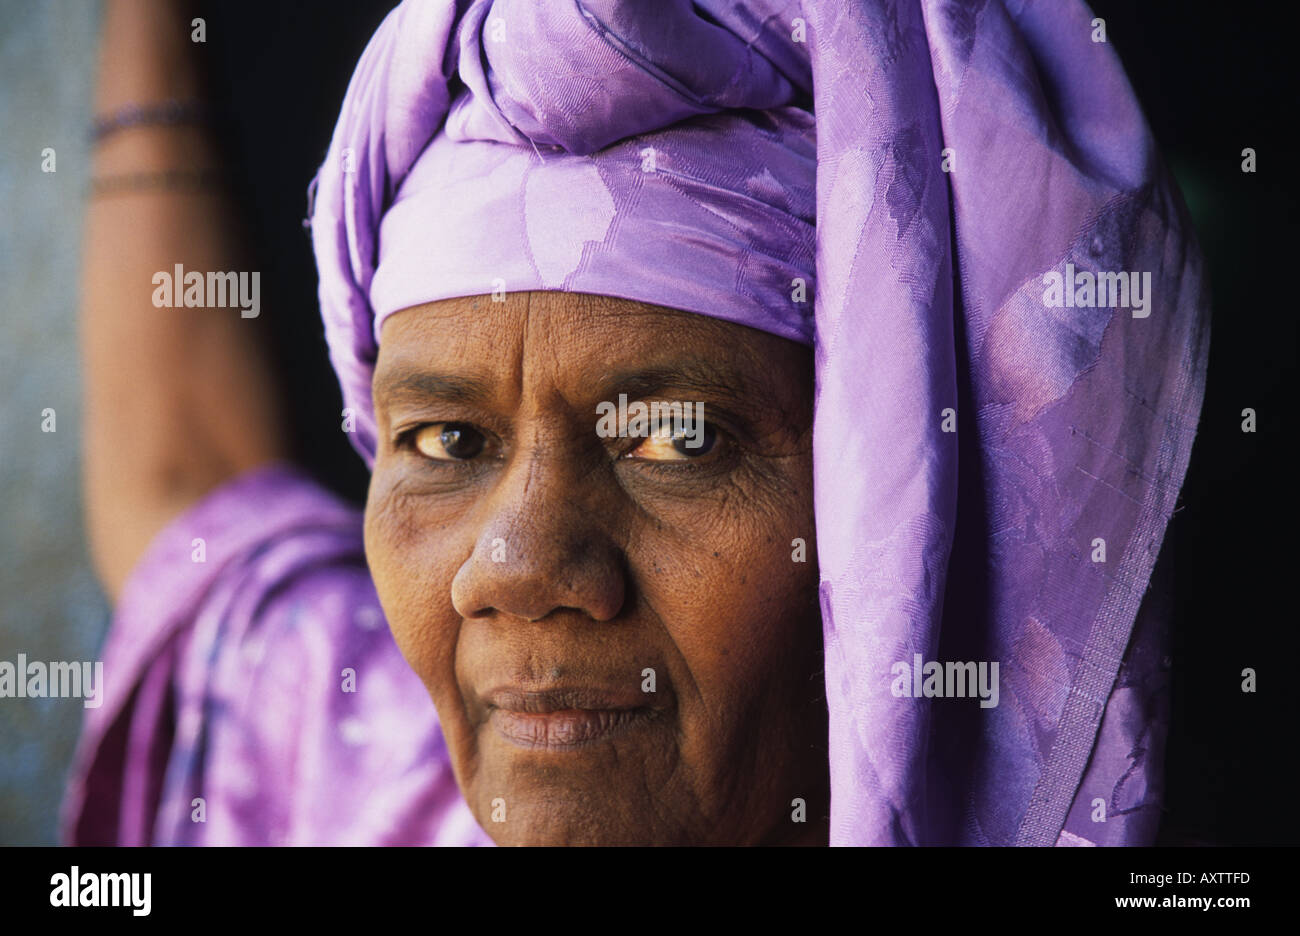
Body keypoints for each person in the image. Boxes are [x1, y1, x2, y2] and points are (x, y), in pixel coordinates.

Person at [65, 0, 1209, 846]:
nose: (515, 568)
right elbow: (188, 486)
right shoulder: (375, 787)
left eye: (676, 439)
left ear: (918, 528)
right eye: (447, 441)